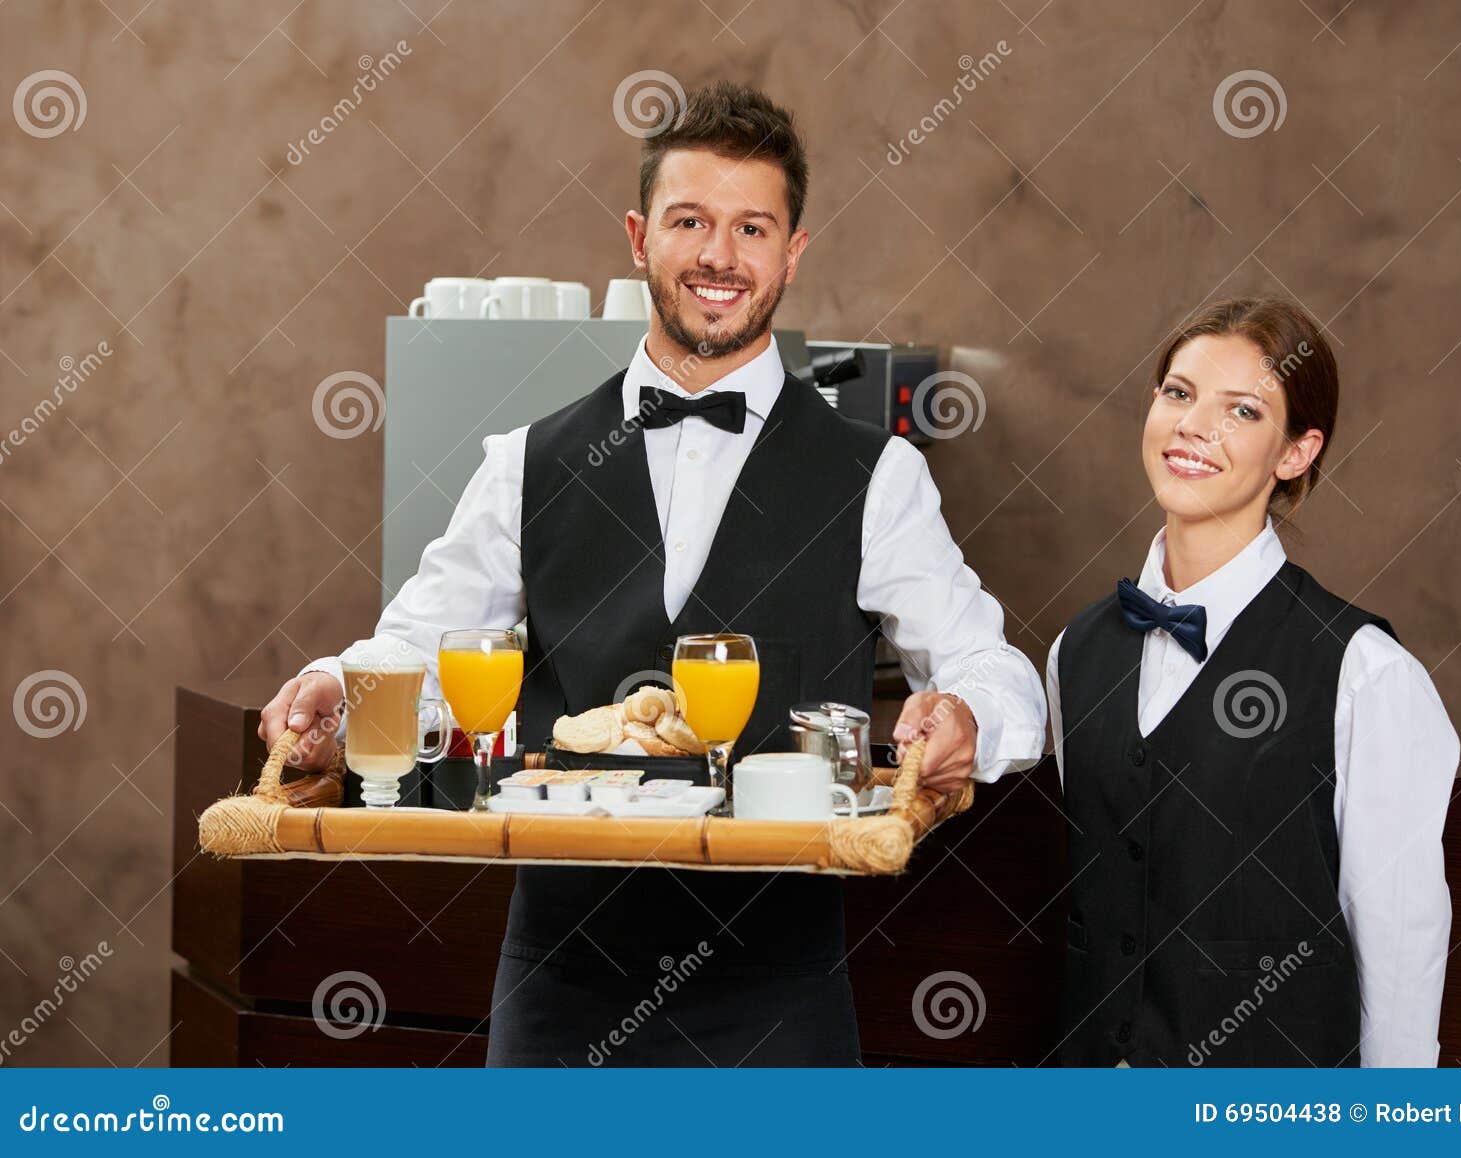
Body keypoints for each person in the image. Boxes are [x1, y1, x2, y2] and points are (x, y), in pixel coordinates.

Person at [258, 81, 1046, 1066]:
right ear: (639, 237)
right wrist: (342, 687)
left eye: (752, 227)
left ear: (792, 252)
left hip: (778, 1006)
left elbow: (984, 660)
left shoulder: (875, 477)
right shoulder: (525, 463)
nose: (720, 256)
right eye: (690, 221)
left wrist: (969, 714)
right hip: (561, 993)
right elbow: (421, 639)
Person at [1045, 296, 1456, 1067]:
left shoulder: (1366, 672)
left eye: (1242, 410)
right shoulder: (1076, 651)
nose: (1194, 426)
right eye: (1178, 392)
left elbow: (1401, 942)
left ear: (1296, 453)